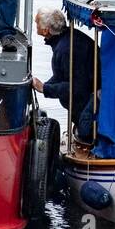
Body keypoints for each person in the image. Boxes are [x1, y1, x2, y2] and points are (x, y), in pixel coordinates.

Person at [32, 9, 99, 143]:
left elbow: (76, 87)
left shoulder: (65, 49)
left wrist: (45, 89)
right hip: (87, 85)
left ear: (46, 31)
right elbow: (62, 76)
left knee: (85, 132)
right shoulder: (65, 39)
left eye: (37, 23)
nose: (35, 25)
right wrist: (45, 86)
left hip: (95, 91)